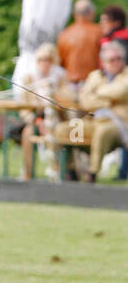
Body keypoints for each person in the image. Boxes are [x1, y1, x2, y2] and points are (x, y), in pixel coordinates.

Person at [54, 39, 128, 181]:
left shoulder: (126, 74)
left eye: (119, 59)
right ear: (103, 62)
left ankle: (92, 173)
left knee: (102, 132)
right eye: (112, 60)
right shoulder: (95, 75)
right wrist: (108, 101)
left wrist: (96, 94)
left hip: (118, 125)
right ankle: (71, 170)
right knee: (63, 130)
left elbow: (121, 90)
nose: (117, 62)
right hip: (93, 121)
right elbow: (84, 100)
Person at [16, 42, 74, 180]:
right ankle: (27, 172)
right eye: (41, 59)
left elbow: (68, 101)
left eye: (48, 59)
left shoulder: (59, 76)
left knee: (56, 132)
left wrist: (54, 95)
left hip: (57, 118)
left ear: (53, 60)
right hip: (35, 117)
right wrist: (35, 120)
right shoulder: (29, 77)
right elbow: (24, 106)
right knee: (27, 133)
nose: (44, 63)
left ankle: (58, 170)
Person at [58, 0, 101, 90]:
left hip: (69, 84)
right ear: (91, 13)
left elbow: (59, 62)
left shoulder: (64, 34)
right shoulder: (99, 32)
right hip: (92, 84)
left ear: (74, 14)